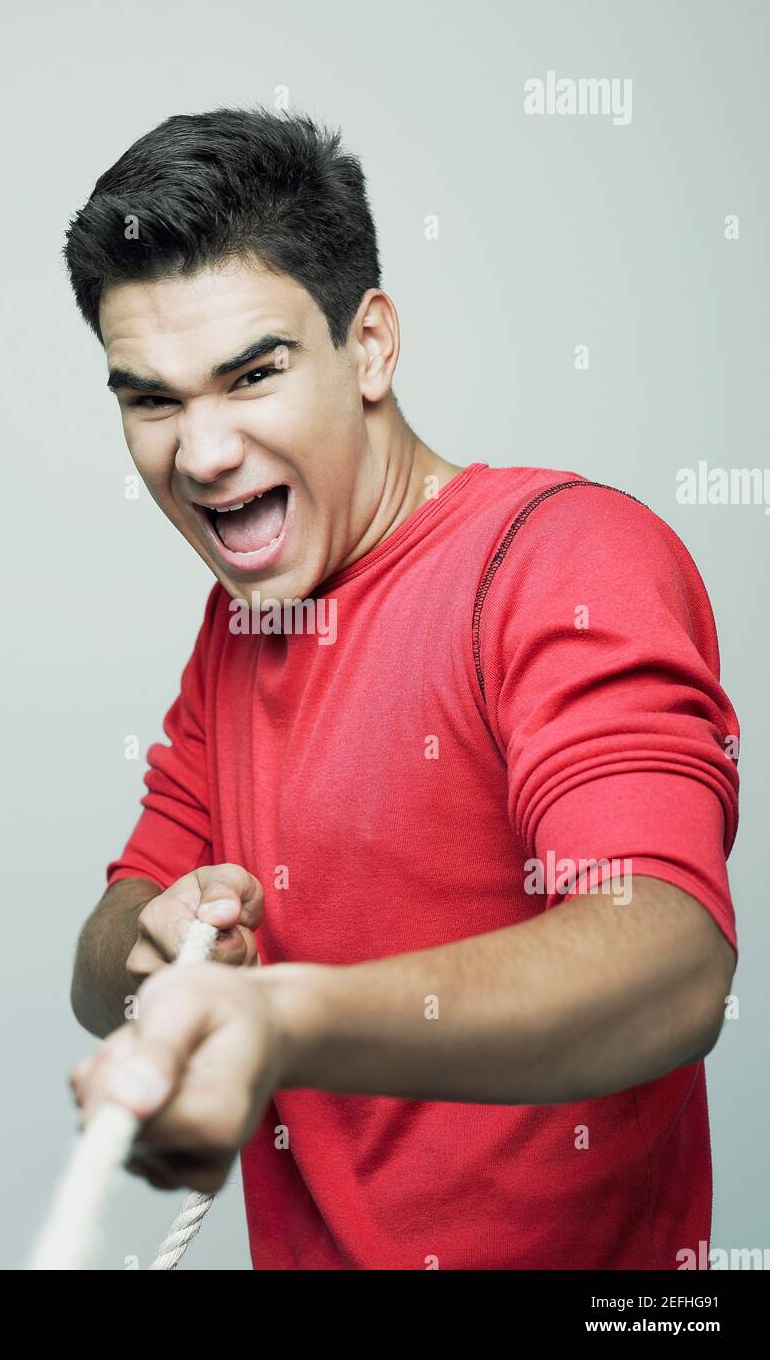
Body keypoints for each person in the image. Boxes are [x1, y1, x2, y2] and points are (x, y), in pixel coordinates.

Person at [62, 106, 739, 1270]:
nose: (203, 451)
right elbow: (101, 959)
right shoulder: (238, 626)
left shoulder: (563, 558)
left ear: (368, 345)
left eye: (252, 374)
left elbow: (669, 961)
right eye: (153, 399)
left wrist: (280, 1021)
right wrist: (156, 940)